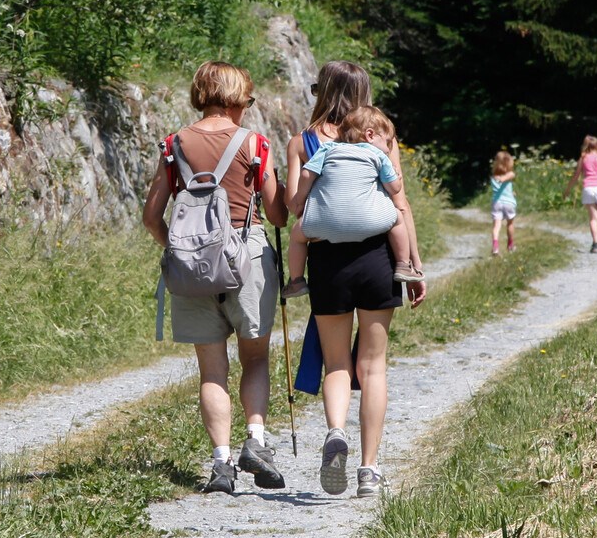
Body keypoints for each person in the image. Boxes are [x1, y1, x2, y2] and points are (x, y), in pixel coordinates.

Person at [141, 61, 289, 496]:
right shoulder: (254, 143)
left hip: (192, 266)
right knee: (255, 358)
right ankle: (256, 441)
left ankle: (221, 463)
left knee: (211, 370)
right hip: (248, 257)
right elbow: (278, 214)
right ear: (236, 97)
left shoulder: (174, 145)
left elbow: (151, 217)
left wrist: (180, 249)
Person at [283, 62, 426, 499]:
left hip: (327, 262)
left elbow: (292, 205)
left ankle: (335, 432)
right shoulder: (380, 138)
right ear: (364, 94)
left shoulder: (303, 143)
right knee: (373, 365)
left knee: (337, 363)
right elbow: (399, 203)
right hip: (377, 258)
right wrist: (413, 264)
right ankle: (368, 470)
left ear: (321, 91)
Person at [282, 106, 419, 299]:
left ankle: (296, 281)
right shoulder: (379, 155)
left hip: (324, 224)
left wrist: (299, 200)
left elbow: (306, 174)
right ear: (370, 135)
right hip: (370, 224)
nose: (389, 148)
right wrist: (396, 177)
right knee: (397, 218)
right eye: (388, 141)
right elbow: (395, 189)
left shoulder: (327, 149)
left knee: (297, 234)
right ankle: (403, 264)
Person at [489, 150, 518, 256]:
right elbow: (508, 177)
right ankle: (510, 245)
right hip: (509, 203)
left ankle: (495, 246)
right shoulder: (510, 174)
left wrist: (511, 191)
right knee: (510, 224)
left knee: (496, 226)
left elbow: (500, 189)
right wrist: (503, 178)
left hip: (497, 203)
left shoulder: (493, 177)